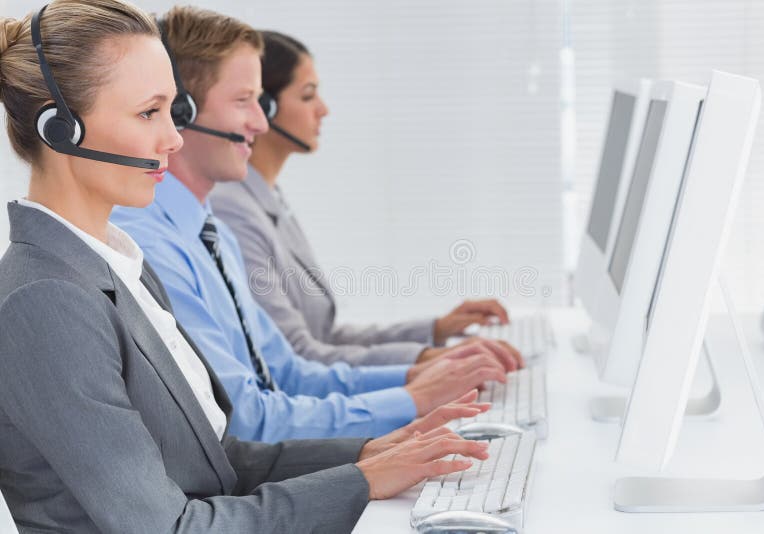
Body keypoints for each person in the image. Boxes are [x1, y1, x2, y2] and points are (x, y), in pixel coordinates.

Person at [0, 2, 491, 532]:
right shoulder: (47, 299)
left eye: (173, 111)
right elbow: (169, 527)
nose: (175, 138)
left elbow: (218, 457)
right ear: (61, 128)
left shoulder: (118, 266)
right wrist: (361, 482)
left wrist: (373, 453)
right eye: (149, 112)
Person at [111, 6, 514, 443]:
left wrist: (419, 379)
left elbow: (289, 372)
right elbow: (244, 419)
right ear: (181, 112)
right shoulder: (149, 247)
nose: (261, 123)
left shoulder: (212, 234)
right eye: (244, 101)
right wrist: (413, 398)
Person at [209, 31, 523, 368]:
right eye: (308, 95)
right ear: (264, 107)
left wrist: (434, 331)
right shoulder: (234, 211)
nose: (323, 110)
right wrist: (430, 360)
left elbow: (323, 336)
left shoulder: (268, 198)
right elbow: (299, 354)